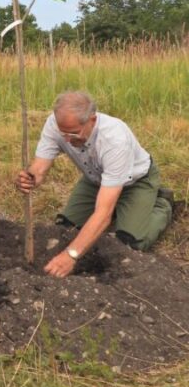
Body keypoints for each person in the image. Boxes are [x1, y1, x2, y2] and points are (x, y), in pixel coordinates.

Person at [16, 91, 173, 278]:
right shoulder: (55, 124)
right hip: (97, 180)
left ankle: (163, 205)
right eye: (62, 133)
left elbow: (103, 214)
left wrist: (71, 255)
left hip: (136, 183)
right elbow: (40, 167)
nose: (66, 139)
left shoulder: (114, 140)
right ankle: (121, 209)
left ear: (92, 119)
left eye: (73, 133)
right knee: (65, 229)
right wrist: (30, 178)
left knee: (129, 243)